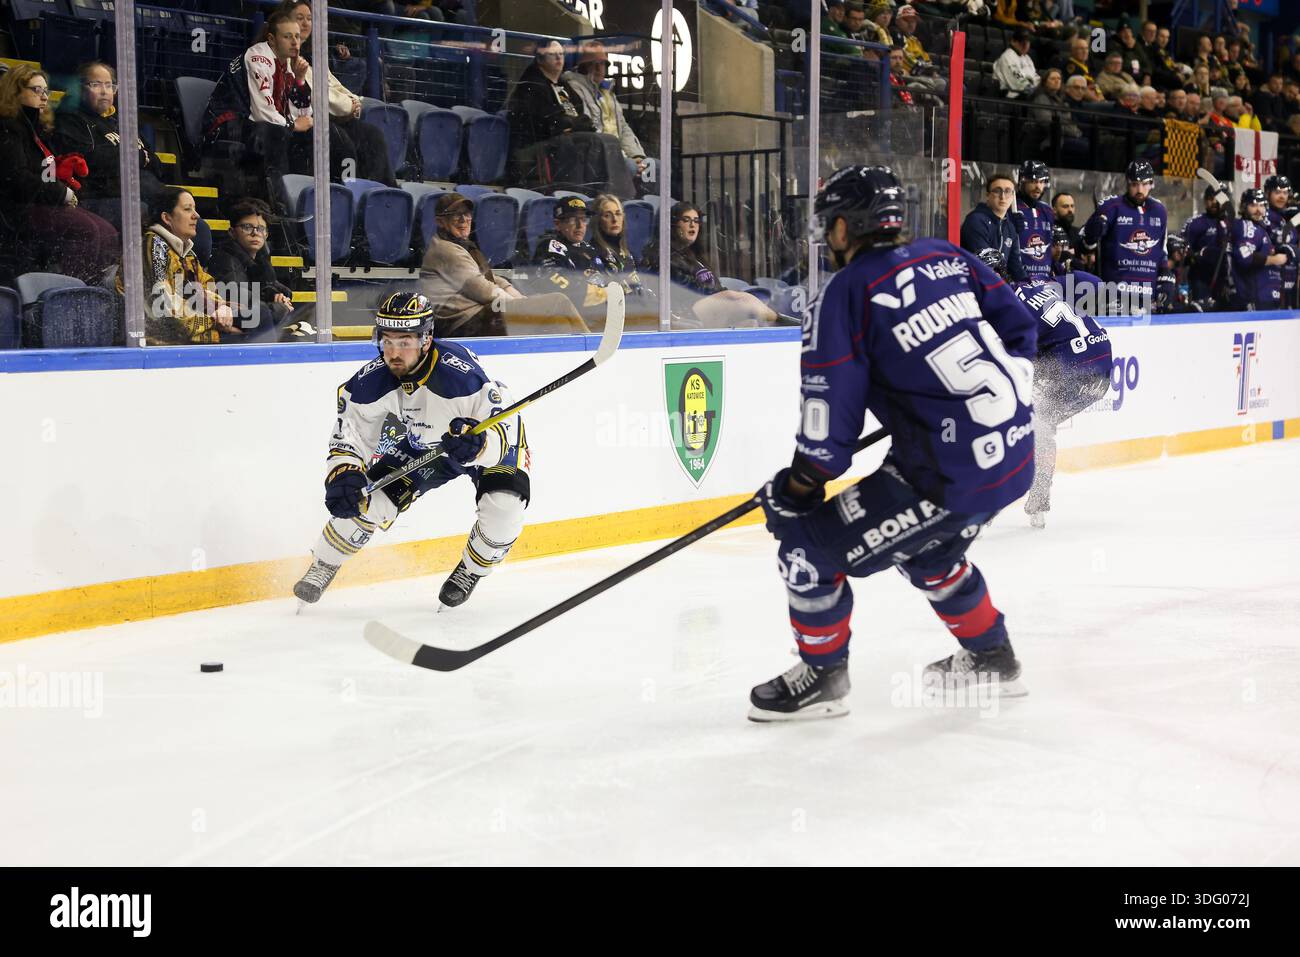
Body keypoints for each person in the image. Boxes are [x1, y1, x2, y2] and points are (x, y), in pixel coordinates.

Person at [748, 166, 1036, 722]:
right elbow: (1020, 327)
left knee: (807, 549)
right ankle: (993, 660)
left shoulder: (844, 293)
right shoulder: (948, 255)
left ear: (843, 227)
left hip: (951, 474)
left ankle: (823, 679)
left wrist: (796, 489)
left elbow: (829, 425)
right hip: (1012, 451)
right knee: (931, 551)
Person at [292, 292, 531, 610]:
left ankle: (471, 570)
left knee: (503, 509)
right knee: (363, 501)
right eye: (387, 341)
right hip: (426, 443)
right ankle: (323, 564)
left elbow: (499, 430)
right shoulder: (370, 382)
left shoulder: (460, 376)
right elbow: (350, 435)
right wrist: (344, 472)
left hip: (481, 440)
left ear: (426, 338)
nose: (393, 353)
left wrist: (479, 446)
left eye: (404, 342)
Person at [988, 249, 1110, 530]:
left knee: (1012, 428)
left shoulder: (1005, 306)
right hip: (1102, 369)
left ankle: (988, 507)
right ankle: (1039, 502)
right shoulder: (1038, 283)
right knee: (1041, 426)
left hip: (1074, 368)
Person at [0, 64, 119, 284]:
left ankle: (90, 289)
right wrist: (61, 192)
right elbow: (19, 179)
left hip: (45, 202)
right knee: (88, 231)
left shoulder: (38, 129)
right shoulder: (9, 128)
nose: (44, 96)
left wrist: (66, 179)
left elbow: (44, 171)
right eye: (36, 90)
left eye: (46, 91)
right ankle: (68, 291)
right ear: (15, 91)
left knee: (108, 232)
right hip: (21, 208)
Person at [420, 191, 587, 337]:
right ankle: (595, 349)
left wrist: (519, 297)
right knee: (558, 301)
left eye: (467, 214)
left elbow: (490, 278)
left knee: (557, 322)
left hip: (476, 317)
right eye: (455, 215)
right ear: (440, 221)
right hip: (463, 324)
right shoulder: (445, 250)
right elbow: (482, 289)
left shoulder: (460, 245)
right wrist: (519, 304)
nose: (464, 219)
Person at [276, 0, 396, 187]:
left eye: (309, 18)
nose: (306, 23)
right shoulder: (283, 56)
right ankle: (345, 193)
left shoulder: (314, 54)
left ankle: (382, 192)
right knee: (341, 138)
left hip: (330, 118)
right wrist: (348, 104)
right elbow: (319, 99)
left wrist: (351, 100)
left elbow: (336, 87)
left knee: (372, 134)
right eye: (300, 18)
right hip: (302, 125)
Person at [506, 40, 633, 197]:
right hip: (536, 150)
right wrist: (571, 124)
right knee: (592, 141)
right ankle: (596, 196)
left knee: (608, 139)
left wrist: (573, 124)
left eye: (561, 54)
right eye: (552, 55)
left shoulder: (564, 86)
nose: (559, 59)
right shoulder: (531, 86)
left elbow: (581, 118)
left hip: (566, 141)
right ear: (540, 60)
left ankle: (618, 199)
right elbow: (547, 123)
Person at [203, 11, 315, 184]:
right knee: (275, 133)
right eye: (287, 37)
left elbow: (304, 117)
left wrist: (300, 82)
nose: (295, 43)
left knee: (315, 135)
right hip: (228, 126)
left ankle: (304, 193)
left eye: (297, 37)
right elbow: (262, 113)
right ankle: (279, 199)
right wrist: (292, 125)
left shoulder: (290, 64)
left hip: (257, 126)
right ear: (271, 39)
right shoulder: (258, 59)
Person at [52, 61, 167, 228]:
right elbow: (90, 161)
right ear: (81, 88)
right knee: (140, 212)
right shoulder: (71, 120)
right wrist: (137, 158)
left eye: (109, 85)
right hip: (101, 198)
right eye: (96, 84)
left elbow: (157, 164)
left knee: (194, 223)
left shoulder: (122, 124)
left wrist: (135, 159)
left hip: (145, 195)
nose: (105, 91)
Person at [124, 187, 237, 345]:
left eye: (195, 209)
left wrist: (222, 307)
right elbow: (163, 305)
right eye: (187, 209)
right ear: (167, 217)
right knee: (257, 319)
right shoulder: (153, 245)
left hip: (190, 328)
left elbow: (208, 287)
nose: (196, 215)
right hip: (159, 339)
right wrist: (214, 320)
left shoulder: (186, 252)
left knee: (254, 313)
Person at [639, 201, 778, 327]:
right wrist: (722, 296)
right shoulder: (664, 255)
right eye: (686, 220)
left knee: (750, 323)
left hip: (707, 306)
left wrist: (720, 295)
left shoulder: (695, 256)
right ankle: (783, 323)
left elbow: (714, 286)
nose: (692, 225)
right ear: (674, 225)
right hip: (686, 311)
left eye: (696, 221)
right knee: (735, 297)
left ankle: (778, 324)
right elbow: (686, 292)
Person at [1081, 160, 1168, 313]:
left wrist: (1166, 280)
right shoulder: (1111, 206)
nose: (1140, 189)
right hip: (1115, 296)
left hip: (1147, 295)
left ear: (1151, 183)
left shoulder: (1159, 211)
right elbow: (1085, 245)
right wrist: (1092, 233)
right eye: (1134, 184)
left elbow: (1162, 252)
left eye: (1144, 184)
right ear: (1127, 183)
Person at [207, 197, 296, 340]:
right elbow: (248, 307)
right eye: (247, 227)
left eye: (260, 228)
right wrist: (281, 307)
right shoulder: (225, 260)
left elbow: (277, 289)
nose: (255, 233)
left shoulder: (260, 262)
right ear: (232, 232)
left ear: (266, 234)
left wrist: (277, 296)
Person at [563, 40, 648, 184]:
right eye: (593, 64)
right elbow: (591, 130)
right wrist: (623, 158)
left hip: (619, 155)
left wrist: (637, 156)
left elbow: (623, 128)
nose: (598, 68)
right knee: (630, 167)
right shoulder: (574, 89)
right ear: (584, 67)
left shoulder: (608, 92)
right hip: (598, 158)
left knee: (654, 168)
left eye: (602, 64)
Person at [529, 196, 615, 326]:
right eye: (572, 219)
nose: (580, 225)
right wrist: (606, 295)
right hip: (572, 321)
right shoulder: (550, 247)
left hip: (603, 319)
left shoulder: (590, 249)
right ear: (558, 224)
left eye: (583, 219)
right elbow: (565, 292)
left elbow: (611, 281)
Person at [1228, 189, 1288, 311]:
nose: (1258, 210)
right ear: (1244, 207)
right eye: (1253, 205)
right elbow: (1246, 258)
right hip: (1254, 298)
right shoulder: (1247, 226)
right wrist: (1274, 260)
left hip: (1263, 296)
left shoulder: (1259, 228)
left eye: (1261, 205)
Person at [960, 174, 1026, 281]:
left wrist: (1028, 285)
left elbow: (1015, 267)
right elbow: (985, 262)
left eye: (1008, 191)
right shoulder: (976, 221)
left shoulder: (1010, 226)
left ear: (1013, 196)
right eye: (997, 191)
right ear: (987, 195)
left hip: (996, 286)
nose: (1003, 197)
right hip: (973, 285)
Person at [1182, 180, 1231, 304]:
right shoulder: (1195, 223)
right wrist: (1196, 256)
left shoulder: (1235, 224)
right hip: (1201, 278)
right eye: (1210, 198)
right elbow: (1182, 250)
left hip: (1227, 279)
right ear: (1205, 201)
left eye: (1218, 198)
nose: (1214, 202)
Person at [1012, 160, 1055, 280]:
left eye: (1042, 182)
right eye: (1033, 181)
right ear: (1021, 182)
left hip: (1044, 279)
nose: (1038, 187)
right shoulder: (1010, 208)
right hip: (1018, 279)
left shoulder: (1047, 211)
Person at [1264, 175, 1298, 309]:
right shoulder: (1263, 215)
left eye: (1285, 192)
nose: (1282, 196)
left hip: (1290, 279)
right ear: (1267, 193)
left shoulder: (1287, 217)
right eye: (1277, 192)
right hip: (1270, 281)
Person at [993, 27, 1040, 99]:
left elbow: (1036, 78)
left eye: (1027, 42)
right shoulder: (1007, 57)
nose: (1025, 45)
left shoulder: (1027, 58)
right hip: (1012, 96)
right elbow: (1019, 84)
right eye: (1021, 42)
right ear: (1013, 41)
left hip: (1026, 93)